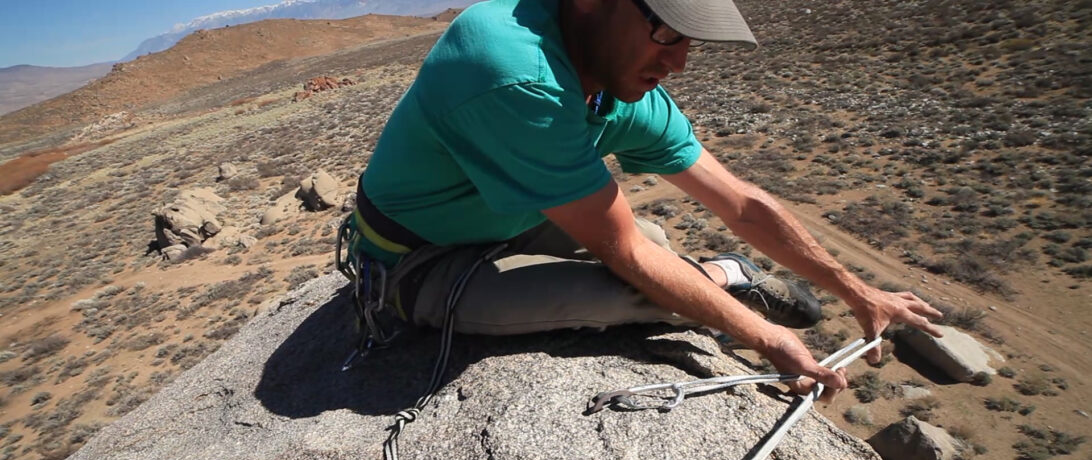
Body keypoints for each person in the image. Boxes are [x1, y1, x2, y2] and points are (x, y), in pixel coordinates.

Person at [344, 0, 943, 399]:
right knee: (634, 293)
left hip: (509, 216)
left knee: (655, 251)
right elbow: (626, 254)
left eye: (690, 41)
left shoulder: (614, 79)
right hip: (418, 257)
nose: (678, 62)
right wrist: (771, 339)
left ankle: (722, 277)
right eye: (667, 33)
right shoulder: (513, 70)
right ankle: (724, 279)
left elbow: (741, 203)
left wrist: (858, 290)